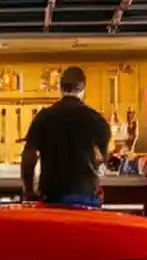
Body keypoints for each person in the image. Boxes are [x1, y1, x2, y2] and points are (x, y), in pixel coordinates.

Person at [21, 66, 112, 209]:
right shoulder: (96, 119)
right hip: (85, 194)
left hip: (52, 196)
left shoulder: (44, 117)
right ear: (83, 89)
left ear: (60, 87)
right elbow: (102, 157)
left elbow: (29, 157)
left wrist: (29, 190)